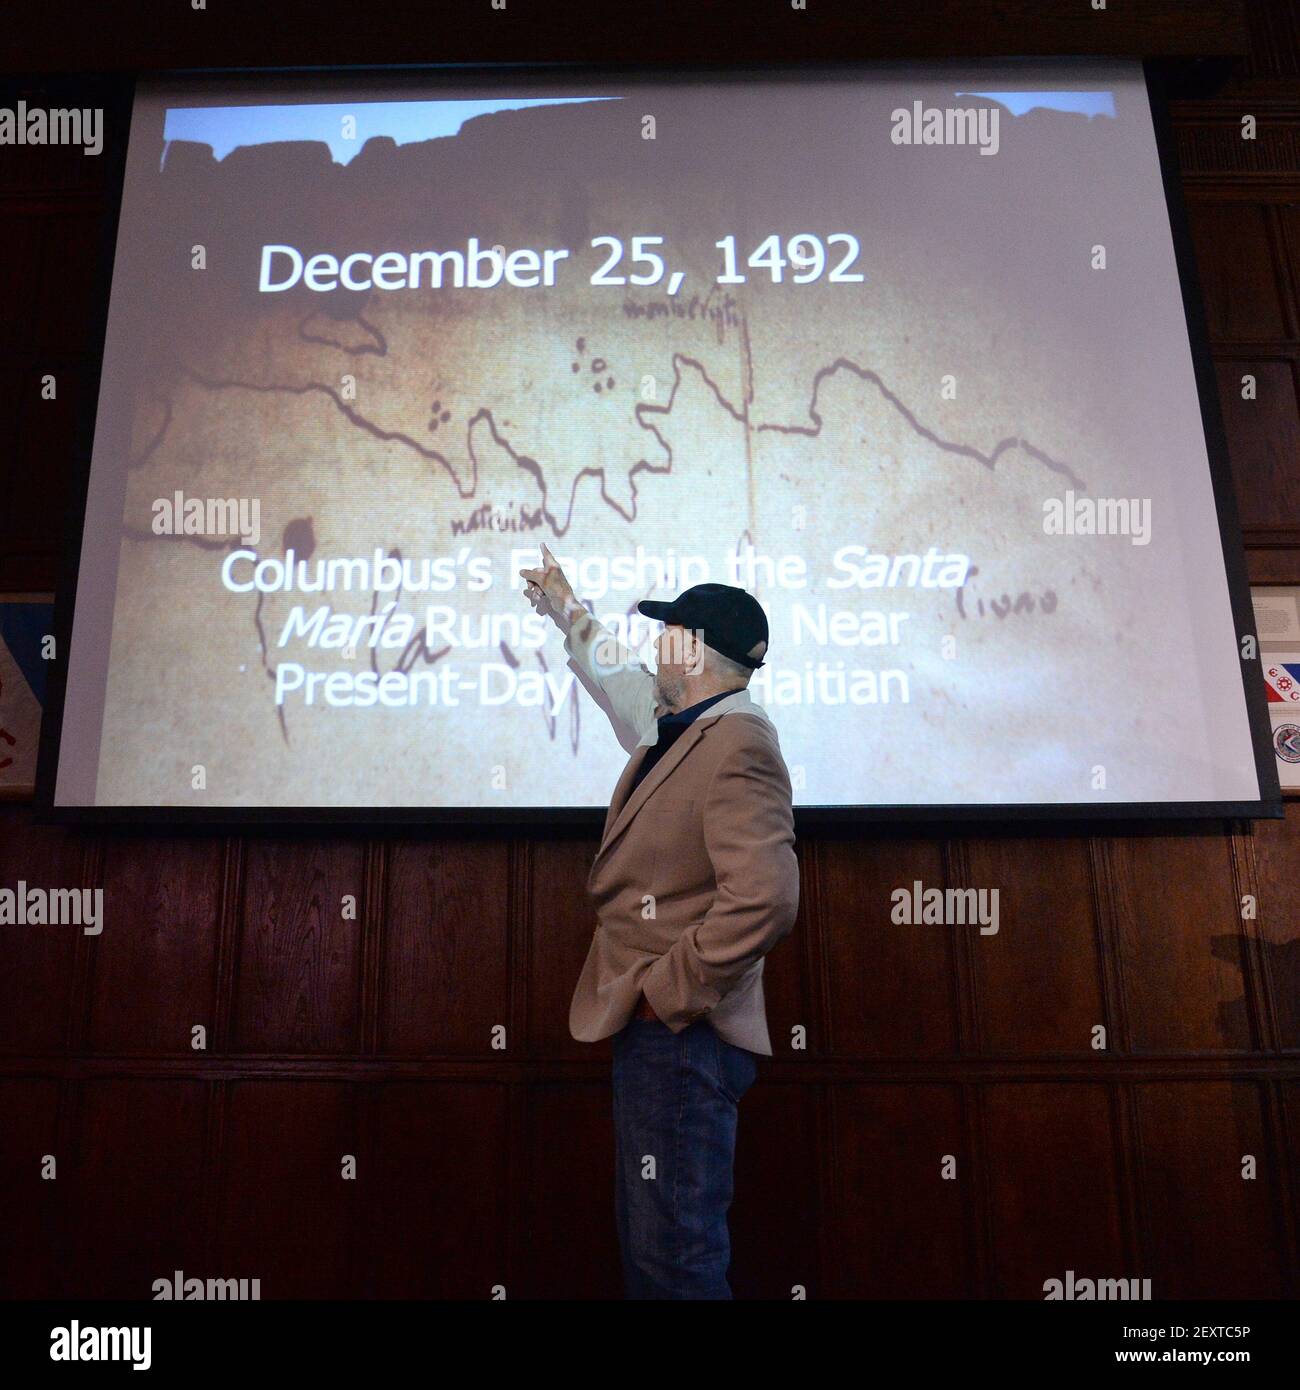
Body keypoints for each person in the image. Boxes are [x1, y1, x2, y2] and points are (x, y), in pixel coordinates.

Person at [520, 544, 799, 1300]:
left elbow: (767, 897)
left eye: (668, 632)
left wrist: (669, 992)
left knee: (674, 1260)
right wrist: (564, 606)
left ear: (695, 652)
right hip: (664, 1037)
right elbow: (619, 678)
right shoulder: (681, 723)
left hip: (683, 1034)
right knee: (656, 1254)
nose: (655, 643)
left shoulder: (739, 743)